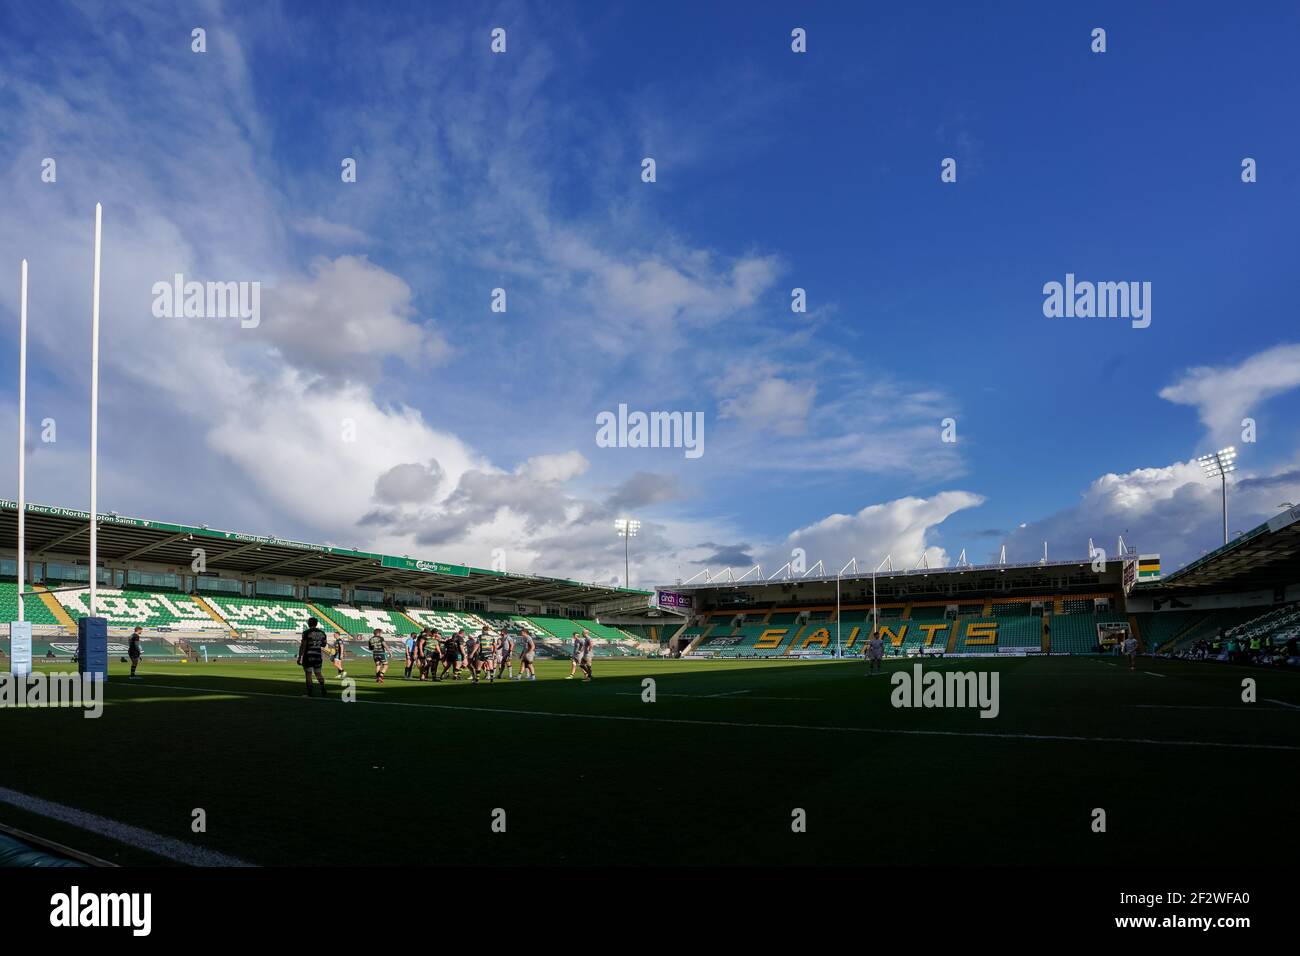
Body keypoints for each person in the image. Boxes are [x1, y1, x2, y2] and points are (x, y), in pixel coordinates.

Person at [298, 617, 329, 697]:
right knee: (318, 673)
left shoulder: (306, 632)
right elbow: (324, 644)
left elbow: (303, 645)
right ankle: (322, 687)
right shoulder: (322, 633)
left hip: (308, 655)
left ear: (309, 623)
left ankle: (310, 693)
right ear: (316, 623)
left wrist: (300, 656)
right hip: (318, 655)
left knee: (308, 674)